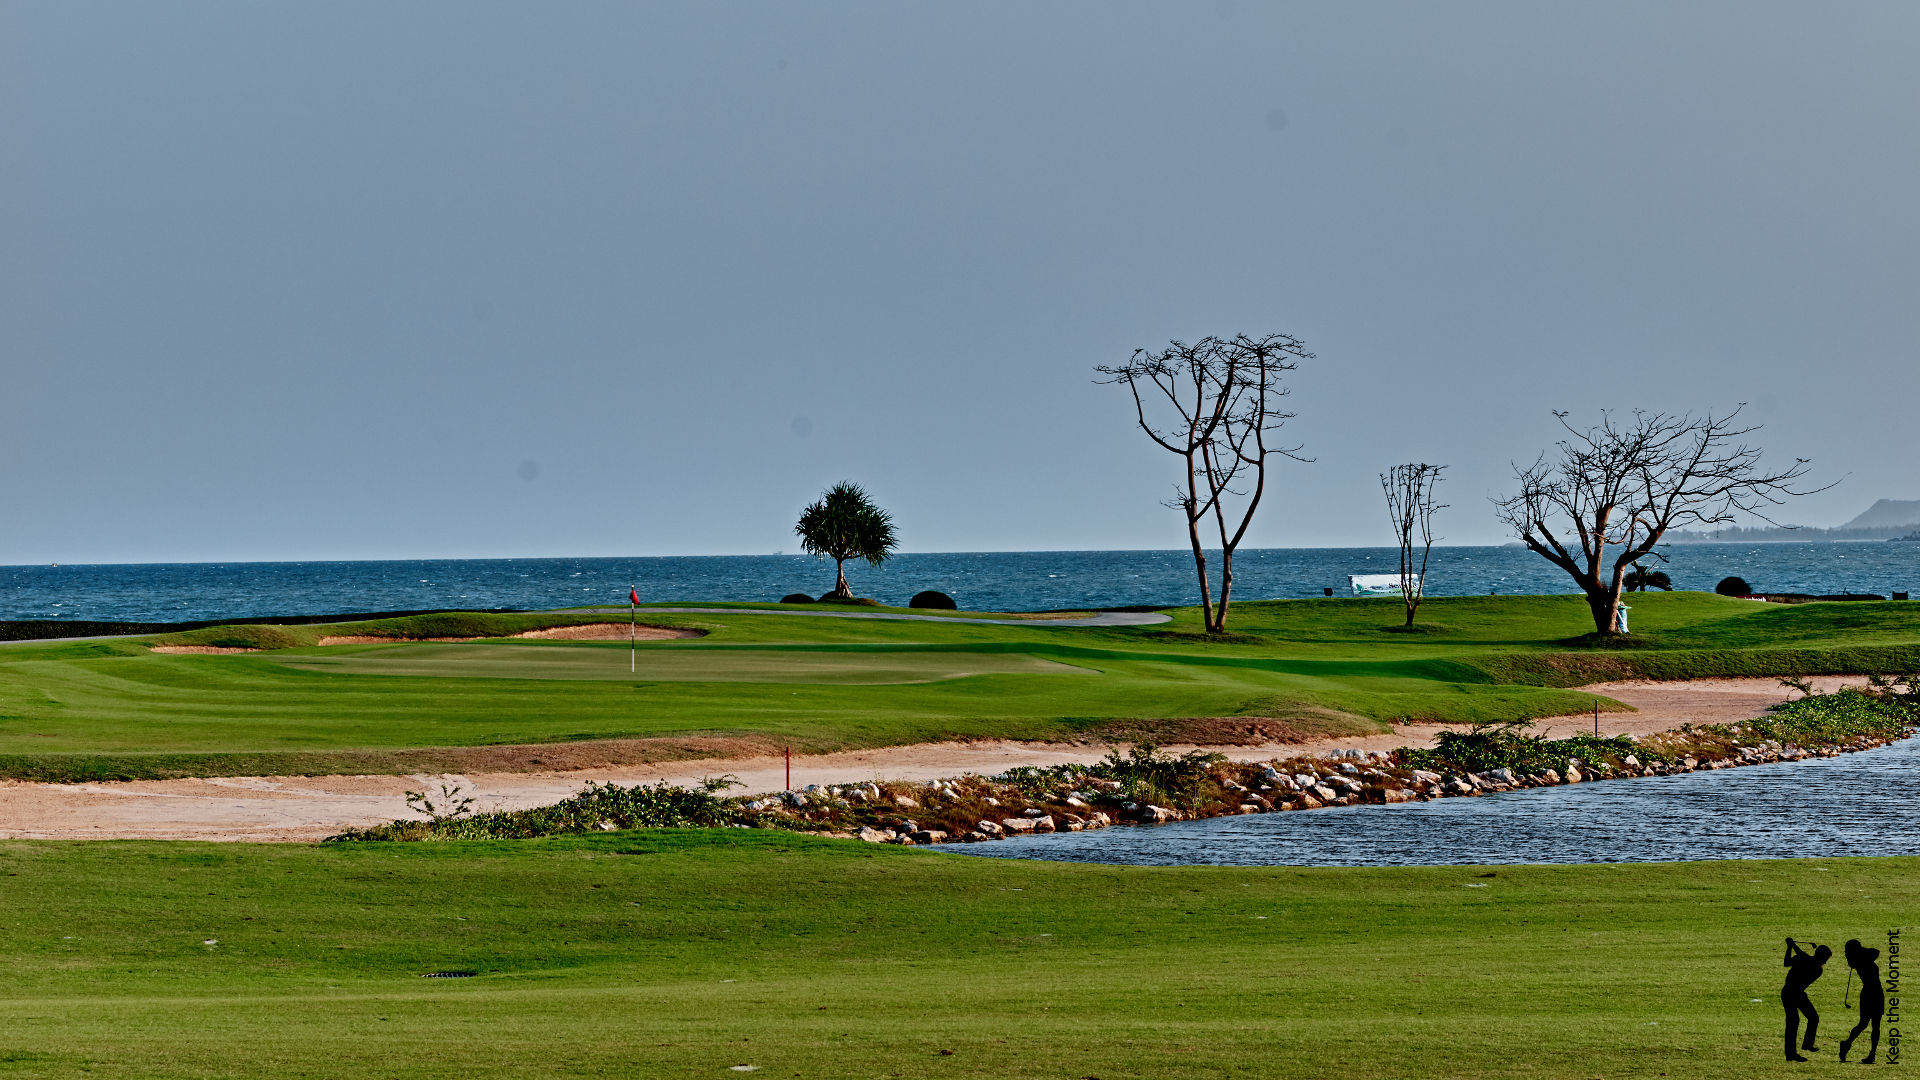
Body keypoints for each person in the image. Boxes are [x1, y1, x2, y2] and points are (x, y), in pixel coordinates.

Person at [1782, 938, 1830, 1062]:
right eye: (1825, 959)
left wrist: (1790, 946)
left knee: (1812, 1018)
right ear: (1822, 957)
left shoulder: (1806, 961)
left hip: (1795, 993)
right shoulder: (1817, 968)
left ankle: (1806, 1045)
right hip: (1791, 993)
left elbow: (1788, 962)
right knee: (1794, 1022)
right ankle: (1791, 1053)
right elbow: (1802, 958)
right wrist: (1792, 946)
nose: (1825, 962)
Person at [1840, 939, 1885, 1063]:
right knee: (1864, 1024)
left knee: (1875, 1025)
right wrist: (1860, 950)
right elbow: (1876, 951)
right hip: (1871, 993)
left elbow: (1875, 952)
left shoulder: (1857, 959)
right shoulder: (1861, 960)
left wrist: (1858, 950)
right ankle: (1847, 1044)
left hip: (1875, 993)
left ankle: (1872, 1054)